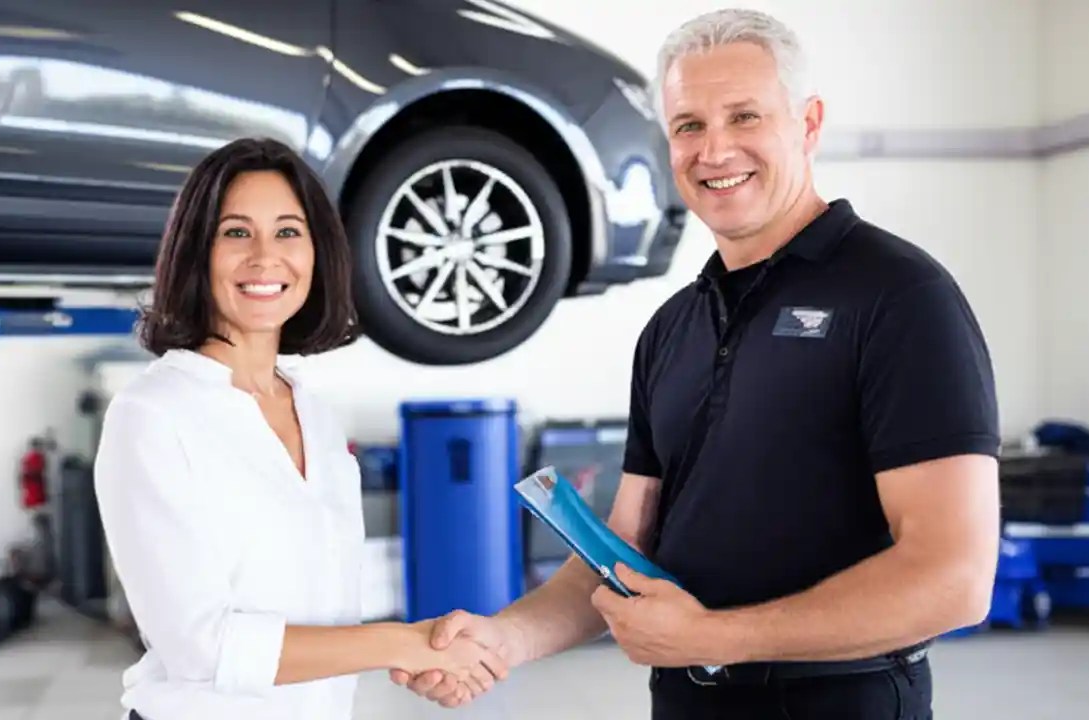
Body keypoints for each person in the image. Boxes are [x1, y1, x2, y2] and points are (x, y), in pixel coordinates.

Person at [391, 8, 1000, 719]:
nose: (714, 150)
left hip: (841, 703)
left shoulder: (898, 295)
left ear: (807, 124)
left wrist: (716, 635)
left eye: (745, 117)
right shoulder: (672, 328)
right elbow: (620, 553)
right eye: (688, 126)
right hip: (687, 703)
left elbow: (954, 578)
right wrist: (502, 639)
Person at [93, 137, 506, 720]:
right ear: (196, 251)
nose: (265, 258)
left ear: (317, 252)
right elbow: (199, 646)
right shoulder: (153, 414)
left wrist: (425, 659)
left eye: (288, 232)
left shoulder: (312, 410)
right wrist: (404, 642)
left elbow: (323, 612)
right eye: (236, 232)